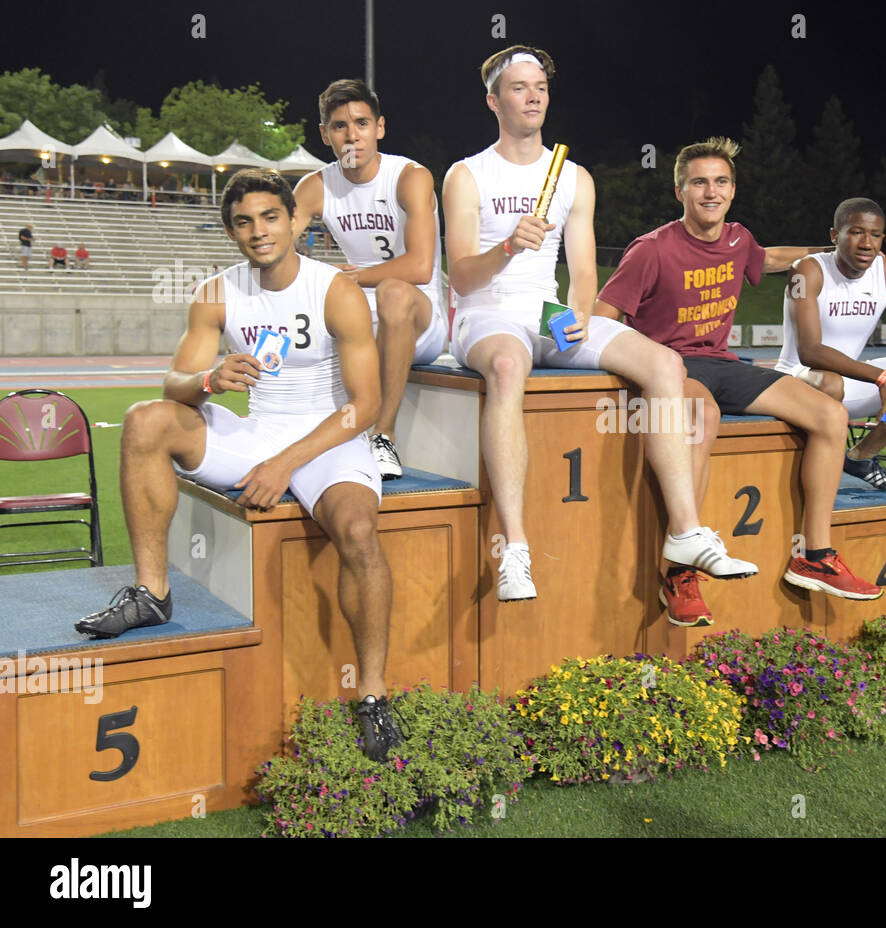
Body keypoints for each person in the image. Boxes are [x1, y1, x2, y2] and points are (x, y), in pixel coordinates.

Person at [76, 169, 404, 761]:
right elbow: (174, 385)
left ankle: (374, 696)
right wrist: (207, 379)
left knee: (358, 530)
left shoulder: (335, 289)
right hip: (257, 431)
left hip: (328, 436)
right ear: (230, 231)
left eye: (270, 217)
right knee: (145, 419)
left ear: (295, 220)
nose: (259, 231)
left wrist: (284, 465)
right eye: (244, 222)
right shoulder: (217, 292)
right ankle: (152, 591)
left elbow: (366, 405)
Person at [442, 47, 755, 611]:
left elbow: (584, 273)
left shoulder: (573, 177)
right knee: (510, 365)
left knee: (664, 364)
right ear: (494, 100)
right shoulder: (467, 175)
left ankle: (685, 529)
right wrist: (509, 245)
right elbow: (462, 278)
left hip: (543, 310)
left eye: (539, 86)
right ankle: (514, 548)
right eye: (518, 87)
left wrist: (578, 315)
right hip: (487, 313)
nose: (533, 96)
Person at [595, 137, 883, 610]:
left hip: (724, 364)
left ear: (732, 190)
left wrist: (834, 254)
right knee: (701, 417)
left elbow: (766, 258)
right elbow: (602, 316)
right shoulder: (651, 250)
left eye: (721, 182)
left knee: (832, 416)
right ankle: (681, 573)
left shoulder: (737, 238)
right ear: (680, 191)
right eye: (700, 182)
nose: (712, 192)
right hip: (672, 367)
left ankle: (815, 554)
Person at [294, 79, 449, 480]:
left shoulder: (409, 176)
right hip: (361, 311)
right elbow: (276, 246)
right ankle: (290, 430)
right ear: (325, 134)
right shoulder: (315, 186)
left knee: (393, 292)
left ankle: (383, 436)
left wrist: (355, 277)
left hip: (419, 316)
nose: (352, 135)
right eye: (340, 125)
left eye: (362, 123)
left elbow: (419, 267)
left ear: (380, 127)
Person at [776, 197, 886, 492]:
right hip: (800, 379)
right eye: (857, 232)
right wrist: (882, 377)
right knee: (831, 384)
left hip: (851, 380)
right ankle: (807, 471)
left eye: (875, 235)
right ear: (835, 236)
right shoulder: (806, 270)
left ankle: (861, 456)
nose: (867, 243)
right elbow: (810, 352)